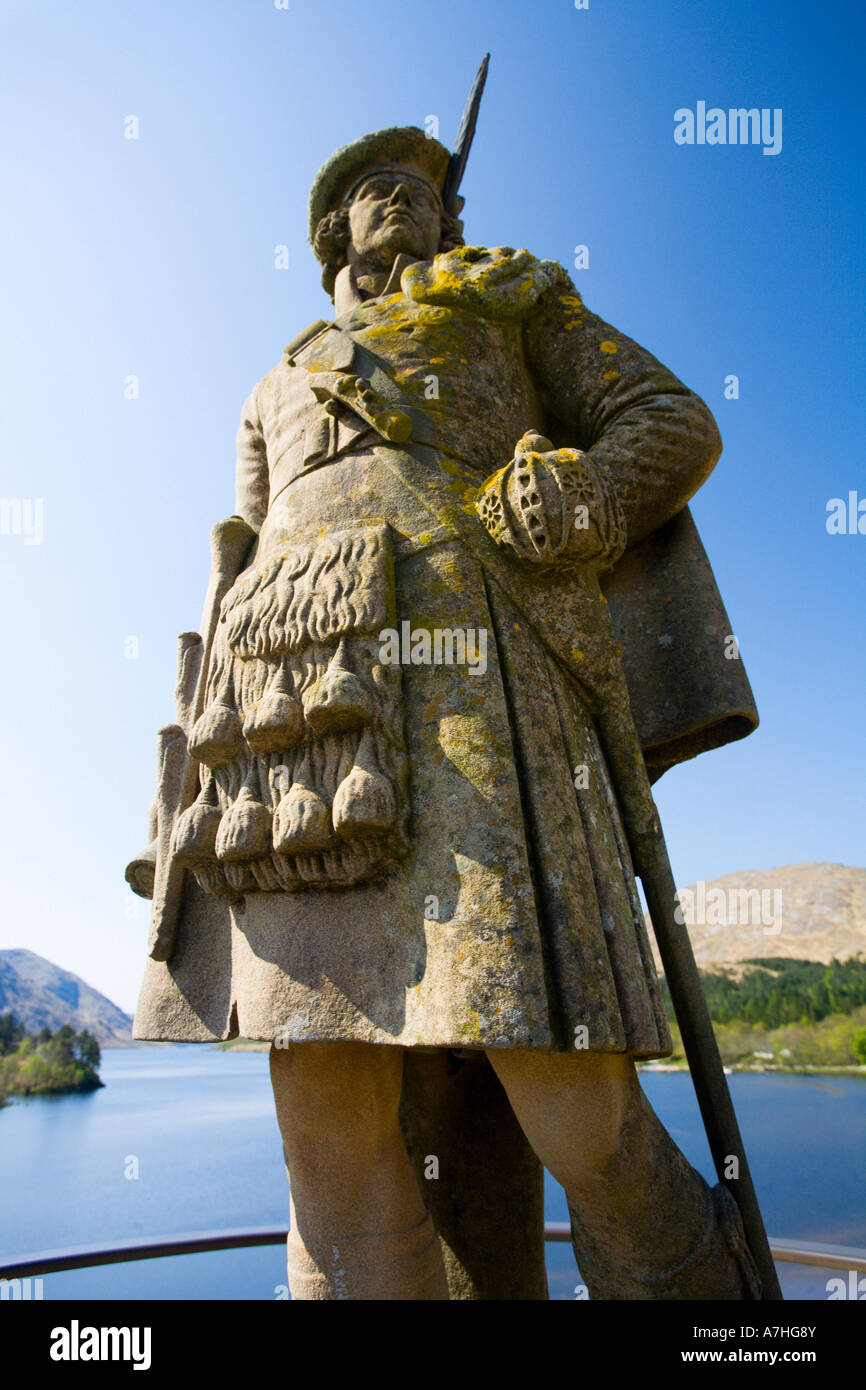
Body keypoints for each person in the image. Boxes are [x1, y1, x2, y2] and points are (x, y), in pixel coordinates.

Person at [129, 126, 762, 1300]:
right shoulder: (274, 381)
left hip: (477, 679)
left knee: (571, 1102)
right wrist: (182, 793)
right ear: (334, 229)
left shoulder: (509, 295)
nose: (402, 203)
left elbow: (672, 421)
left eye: (421, 190)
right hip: (286, 726)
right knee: (322, 1121)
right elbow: (238, 554)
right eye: (376, 191)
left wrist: (582, 495)